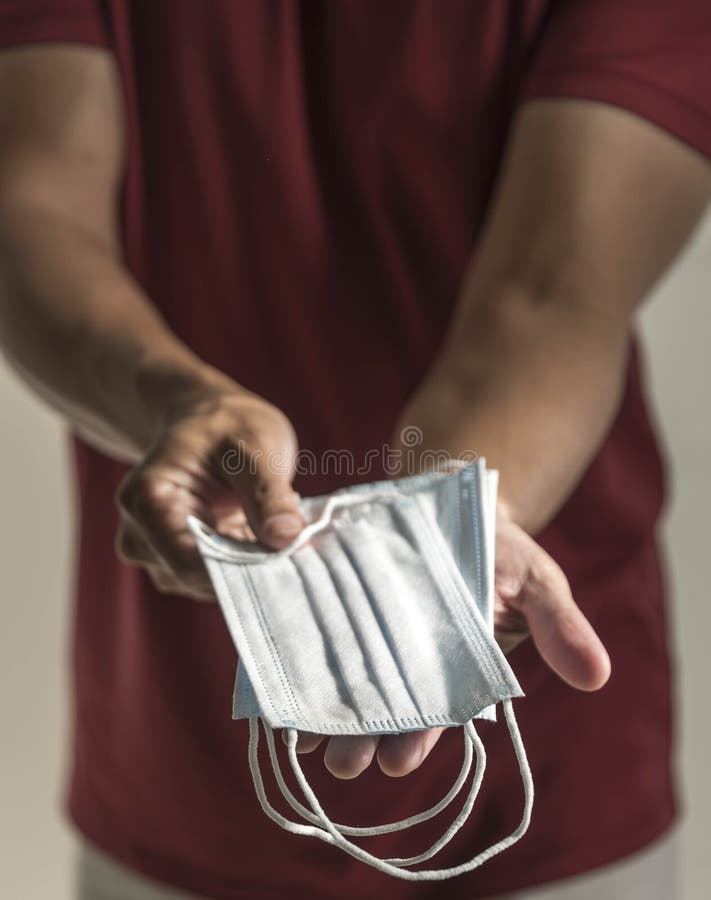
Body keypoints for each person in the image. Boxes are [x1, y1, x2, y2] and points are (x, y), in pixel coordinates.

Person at [0, 1, 709, 898]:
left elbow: (559, 285)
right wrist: (180, 403)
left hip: (544, 739)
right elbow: (31, 210)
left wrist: (445, 518)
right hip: (179, 751)